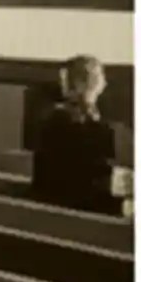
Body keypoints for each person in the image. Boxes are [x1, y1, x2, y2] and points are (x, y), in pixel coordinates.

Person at [32, 55, 128, 215]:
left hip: (49, 207)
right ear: (87, 84)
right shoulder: (89, 126)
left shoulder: (49, 119)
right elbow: (90, 179)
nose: (105, 82)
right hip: (80, 209)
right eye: (100, 77)